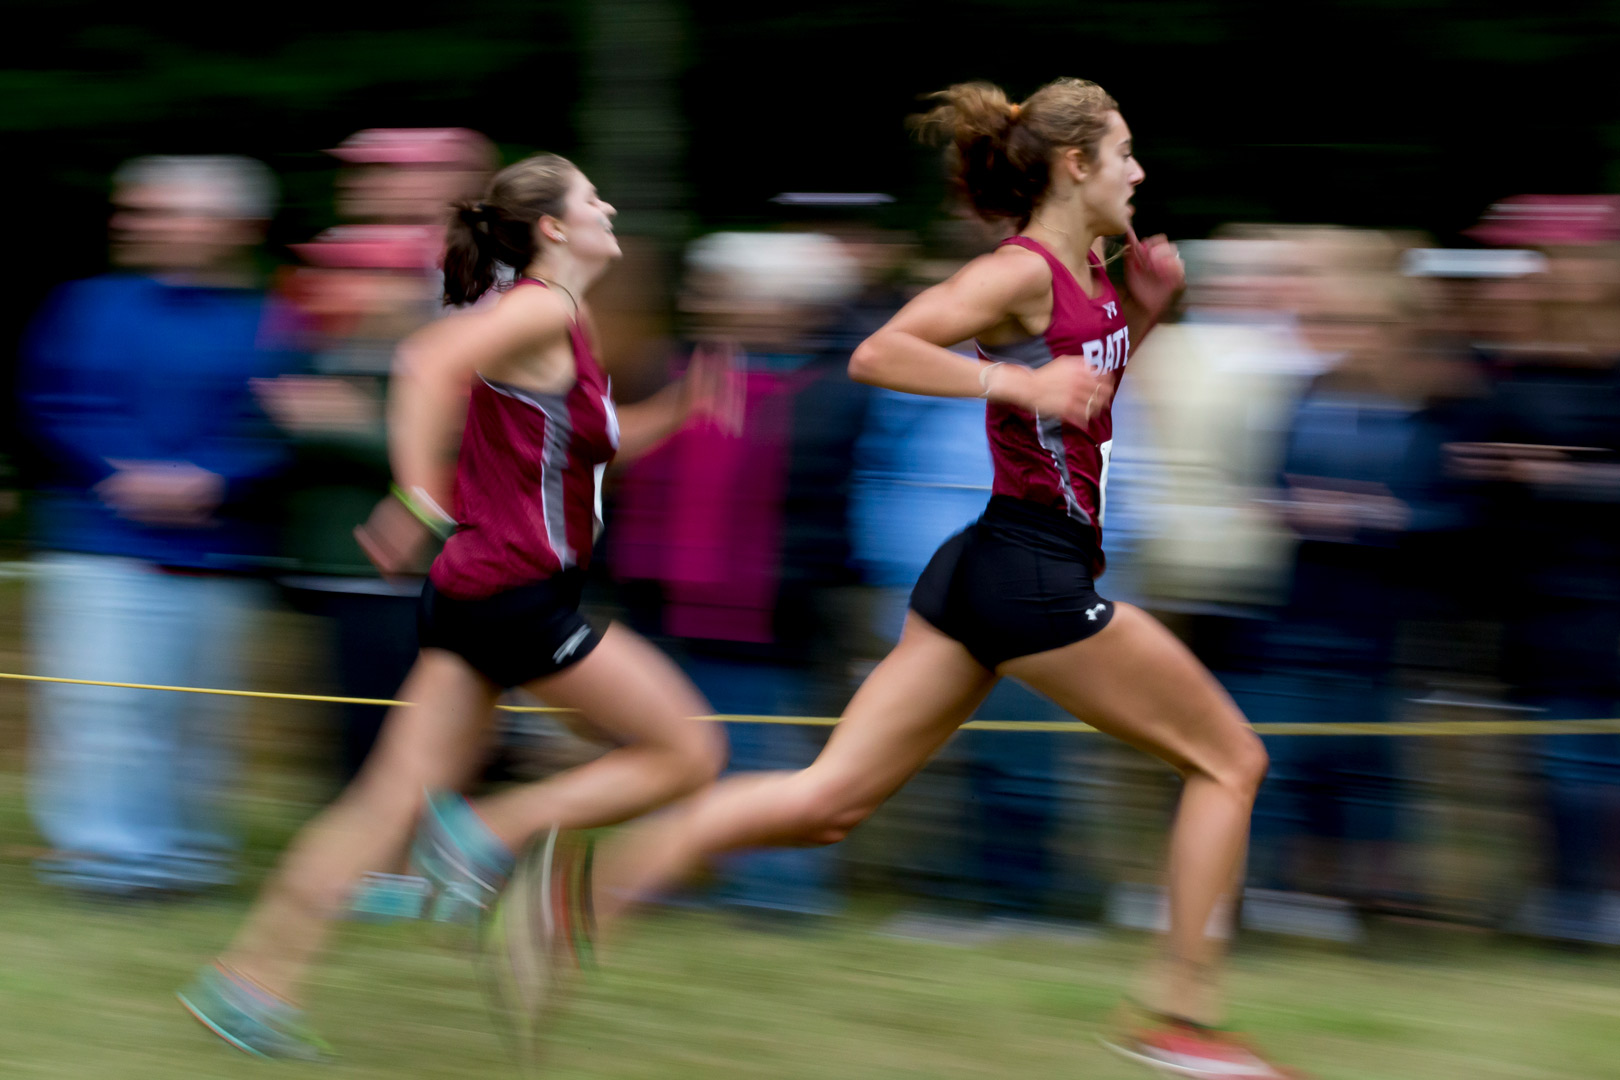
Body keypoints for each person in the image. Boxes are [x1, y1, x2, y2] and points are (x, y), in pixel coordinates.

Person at [569, 79, 1292, 1079]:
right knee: (1229, 763)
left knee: (828, 802)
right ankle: (1182, 1017)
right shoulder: (1022, 270)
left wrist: (1147, 314)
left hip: (990, 566)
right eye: (1124, 152)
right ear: (1075, 165)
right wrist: (1015, 378)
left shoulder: (1091, 269)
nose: (1139, 169)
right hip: (1029, 570)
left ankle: (588, 882)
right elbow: (881, 351)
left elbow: (1077, 403)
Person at [178, 153, 731, 1059]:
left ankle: (249, 985)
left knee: (383, 803)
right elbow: (423, 359)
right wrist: (414, 496)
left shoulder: (563, 315)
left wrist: (681, 409)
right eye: (595, 197)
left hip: (476, 594)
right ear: (554, 226)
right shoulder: (540, 307)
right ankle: (480, 834)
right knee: (688, 751)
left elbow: (587, 455)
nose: (611, 203)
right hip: (517, 598)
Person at [21, 155, 294, 898]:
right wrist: (120, 473)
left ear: (236, 227)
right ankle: (106, 856)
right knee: (104, 704)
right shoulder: (86, 304)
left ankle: (186, 852)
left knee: (201, 711)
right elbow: (54, 403)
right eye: (144, 212)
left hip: (220, 544)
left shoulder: (274, 318)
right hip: (100, 537)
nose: (151, 226)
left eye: (177, 212)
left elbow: (283, 424)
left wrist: (217, 478)